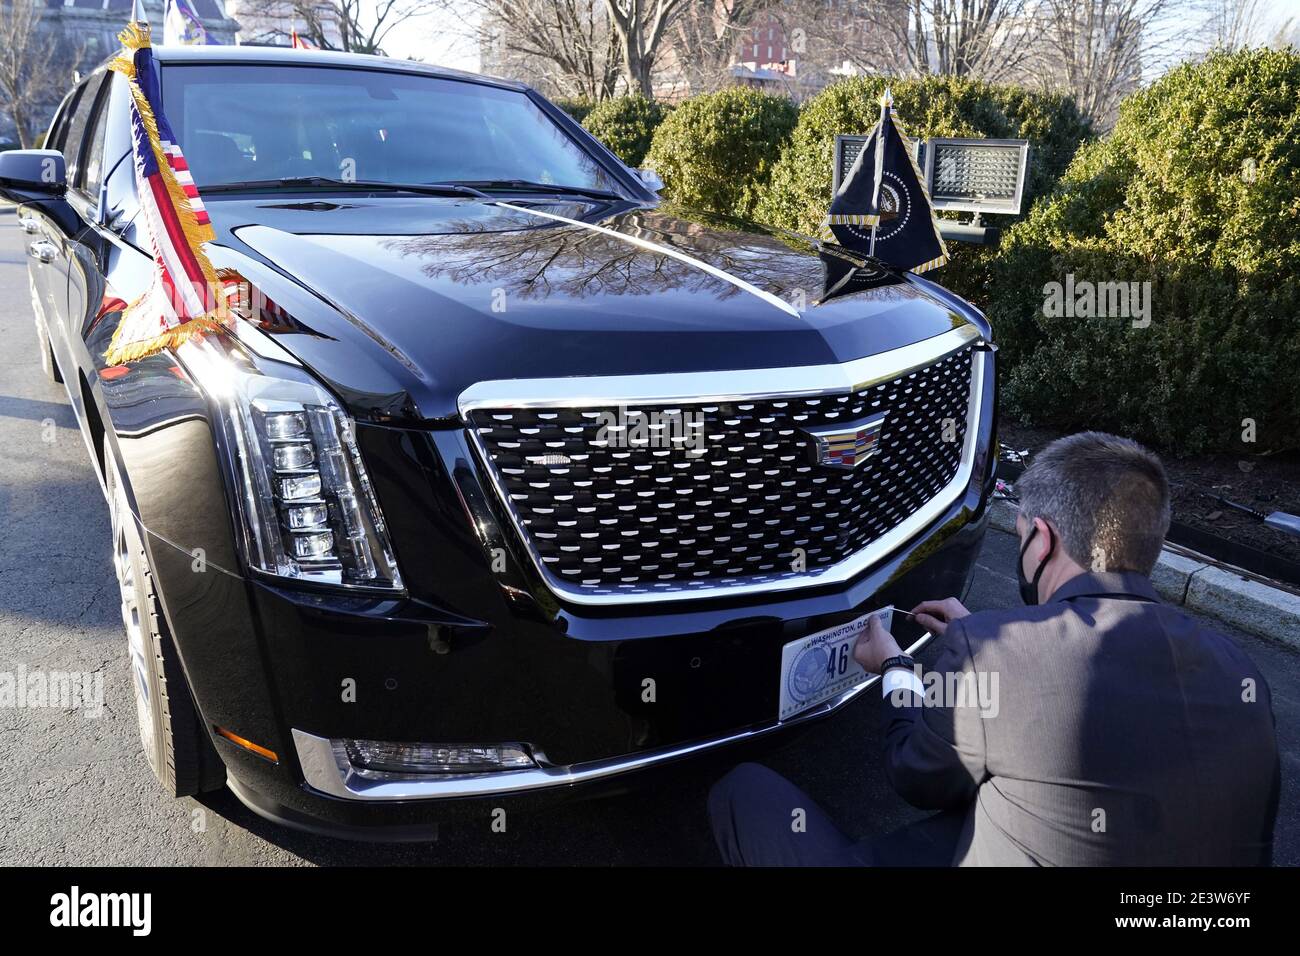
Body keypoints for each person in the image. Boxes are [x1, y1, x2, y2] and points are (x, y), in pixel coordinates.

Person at [709, 432, 1280, 866]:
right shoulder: (1240, 671)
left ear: (1042, 538)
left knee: (743, 791)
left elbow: (915, 776)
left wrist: (897, 668)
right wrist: (988, 646)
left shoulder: (992, 653)